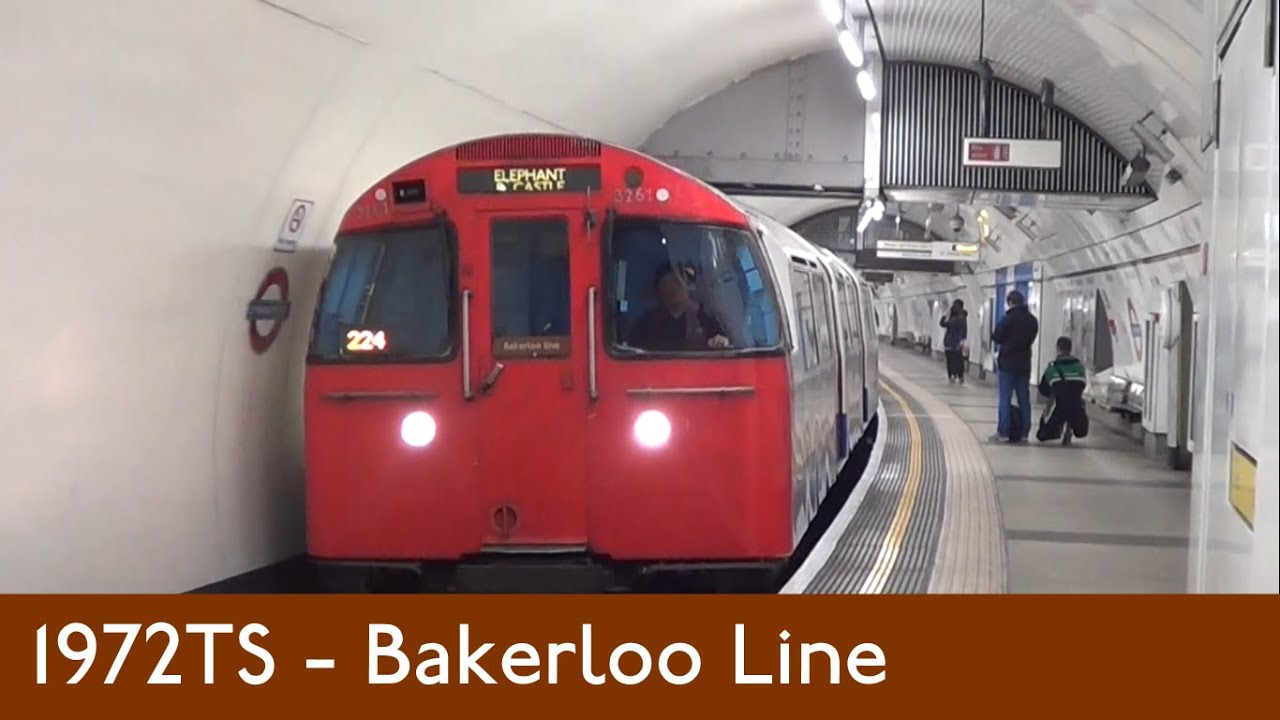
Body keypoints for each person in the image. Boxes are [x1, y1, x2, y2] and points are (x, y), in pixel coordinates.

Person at [626, 262, 731, 351]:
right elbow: (631, 348)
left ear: (686, 285)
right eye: (665, 284)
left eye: (675, 281)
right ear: (659, 291)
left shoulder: (707, 317)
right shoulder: (649, 322)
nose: (671, 288)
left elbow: (725, 344)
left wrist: (721, 342)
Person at [990, 289, 1038, 443]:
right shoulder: (1032, 320)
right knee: (1024, 398)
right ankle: (1024, 433)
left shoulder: (1008, 319)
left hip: (1007, 364)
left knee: (1005, 398)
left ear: (1010, 302)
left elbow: (996, 336)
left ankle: (1003, 432)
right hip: (1024, 364)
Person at [1036, 336, 1090, 445]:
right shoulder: (1080, 367)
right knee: (1080, 426)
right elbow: (1082, 385)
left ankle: (1057, 428)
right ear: (1070, 349)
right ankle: (1070, 427)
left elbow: (1043, 389)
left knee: (1042, 435)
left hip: (1058, 407)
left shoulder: (1052, 368)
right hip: (1077, 407)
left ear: (1058, 349)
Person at [940, 299, 969, 383]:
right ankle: (960, 376)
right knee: (959, 360)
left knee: (950, 360)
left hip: (950, 342)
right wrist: (963, 340)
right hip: (958, 343)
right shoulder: (963, 318)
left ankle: (952, 375)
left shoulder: (955, 319)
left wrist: (945, 315)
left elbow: (942, 324)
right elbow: (965, 331)